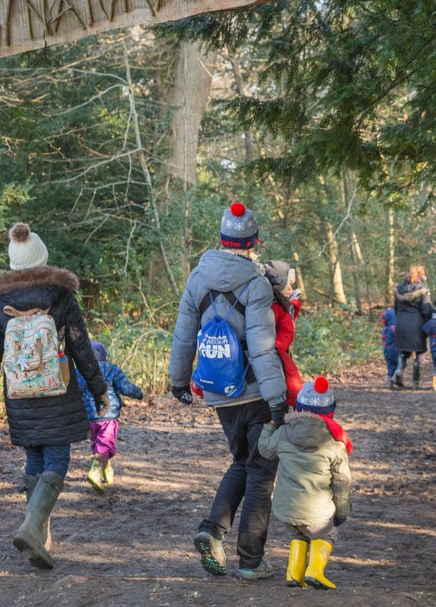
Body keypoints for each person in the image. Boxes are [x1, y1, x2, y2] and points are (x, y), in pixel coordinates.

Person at [0, 222, 109, 570]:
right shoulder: (61, 295)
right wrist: (99, 389)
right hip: (57, 390)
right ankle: (33, 529)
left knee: (34, 460)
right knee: (57, 462)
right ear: (42, 257)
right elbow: (80, 345)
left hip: (19, 393)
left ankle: (38, 539)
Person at [169, 201, 287, 581]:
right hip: (255, 390)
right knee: (262, 470)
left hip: (219, 391)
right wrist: (278, 399)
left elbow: (184, 335)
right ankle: (251, 561)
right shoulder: (255, 283)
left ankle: (213, 529)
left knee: (243, 462)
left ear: (221, 239)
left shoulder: (197, 277)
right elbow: (263, 344)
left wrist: (178, 381)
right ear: (253, 242)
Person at [258, 377, 352, 590]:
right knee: (327, 533)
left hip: (285, 507)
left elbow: (264, 450)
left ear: (298, 408)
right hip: (316, 511)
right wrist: (342, 510)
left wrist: (271, 426)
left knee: (297, 533)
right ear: (330, 411)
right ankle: (315, 572)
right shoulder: (334, 443)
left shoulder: (283, 432)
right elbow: (342, 481)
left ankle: (294, 575)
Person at [76, 340, 144, 493]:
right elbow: (125, 387)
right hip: (107, 417)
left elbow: (74, 390)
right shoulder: (112, 369)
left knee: (99, 445)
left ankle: (107, 471)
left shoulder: (79, 371)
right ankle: (95, 472)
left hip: (88, 418)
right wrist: (138, 393)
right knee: (104, 445)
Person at [264, 260, 304, 409]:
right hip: (271, 350)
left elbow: (287, 331)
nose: (290, 288)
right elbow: (287, 331)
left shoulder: (281, 306)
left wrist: (277, 346)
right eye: (287, 285)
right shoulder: (271, 305)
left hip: (275, 349)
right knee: (291, 382)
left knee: (291, 382)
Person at [393, 264, 433, 389]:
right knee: (420, 351)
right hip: (417, 323)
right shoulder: (423, 288)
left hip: (401, 322)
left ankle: (399, 371)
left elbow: (396, 308)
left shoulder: (399, 288)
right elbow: (426, 309)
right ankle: (416, 382)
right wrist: (430, 318)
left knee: (404, 351)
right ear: (422, 275)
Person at [380, 307, 397, 388]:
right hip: (395, 350)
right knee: (397, 365)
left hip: (386, 350)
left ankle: (390, 380)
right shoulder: (394, 328)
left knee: (390, 366)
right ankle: (395, 379)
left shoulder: (385, 329)